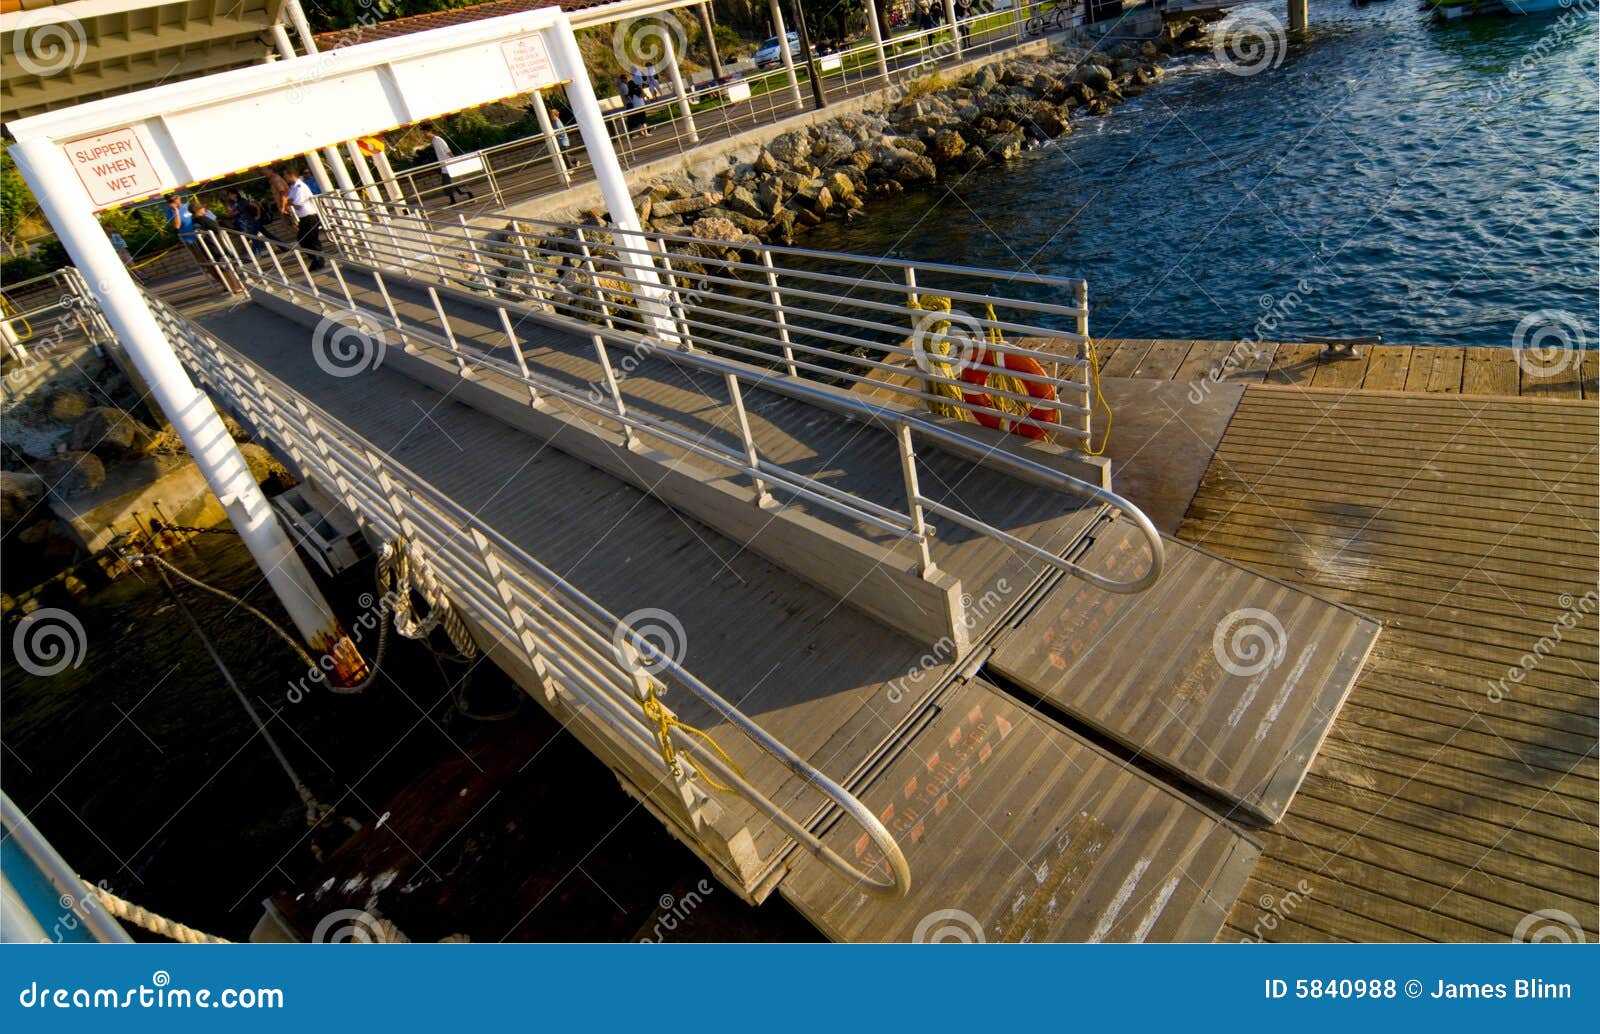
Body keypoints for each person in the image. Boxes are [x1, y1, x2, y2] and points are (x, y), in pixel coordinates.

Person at [168, 192, 237, 292]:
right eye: (171, 201)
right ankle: (224, 283)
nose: (174, 202)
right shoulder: (171, 212)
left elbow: (211, 218)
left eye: (175, 199)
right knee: (208, 263)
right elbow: (177, 226)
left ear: (179, 198)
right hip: (191, 240)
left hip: (206, 238)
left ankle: (232, 284)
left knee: (220, 260)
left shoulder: (190, 206)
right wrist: (176, 212)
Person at [284, 169, 325, 270]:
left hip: (309, 216)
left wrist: (291, 202)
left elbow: (298, 205)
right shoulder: (294, 187)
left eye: (285, 176)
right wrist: (291, 202)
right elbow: (288, 200)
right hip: (303, 217)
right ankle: (315, 258)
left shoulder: (300, 187)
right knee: (303, 239)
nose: (285, 178)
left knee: (311, 240)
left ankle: (319, 260)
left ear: (291, 175)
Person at [422, 123, 472, 205]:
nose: (424, 134)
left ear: (429, 131)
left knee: (449, 183)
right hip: (444, 165)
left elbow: (447, 151)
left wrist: (454, 160)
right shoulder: (434, 141)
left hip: (449, 165)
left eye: (424, 132)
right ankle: (460, 198)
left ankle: (467, 196)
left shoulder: (438, 140)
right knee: (452, 183)